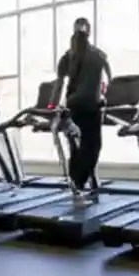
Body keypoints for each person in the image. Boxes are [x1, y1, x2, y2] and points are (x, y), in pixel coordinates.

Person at [55, 18, 111, 205]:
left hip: (82, 106)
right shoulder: (95, 55)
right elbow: (109, 78)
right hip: (84, 106)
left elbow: (59, 84)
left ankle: (79, 182)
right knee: (91, 146)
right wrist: (53, 106)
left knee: (81, 148)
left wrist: (53, 105)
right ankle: (79, 182)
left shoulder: (91, 55)